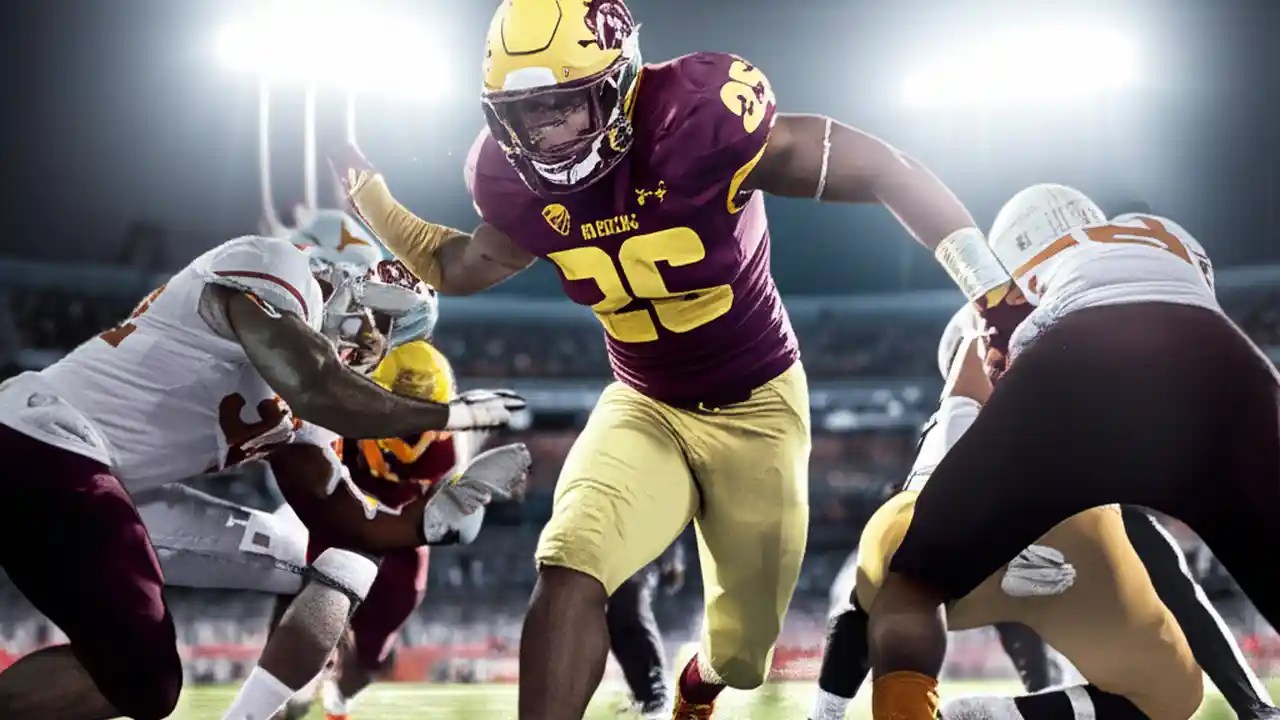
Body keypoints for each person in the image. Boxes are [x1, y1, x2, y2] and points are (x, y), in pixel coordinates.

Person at [331, 1, 1008, 716]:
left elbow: (884, 172)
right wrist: (365, 191)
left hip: (758, 408)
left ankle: (701, 679)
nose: (544, 135)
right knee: (569, 563)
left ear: (620, 81)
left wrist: (992, 293)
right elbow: (457, 264)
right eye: (524, 116)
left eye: (563, 107)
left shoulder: (700, 121)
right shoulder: (512, 180)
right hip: (643, 403)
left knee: (744, 655)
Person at [0, 233, 524, 720]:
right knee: (141, 676)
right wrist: (450, 415)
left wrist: (430, 520)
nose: (375, 342)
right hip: (43, 438)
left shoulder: (314, 403)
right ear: (341, 275)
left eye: (389, 333)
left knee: (149, 683)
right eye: (379, 317)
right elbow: (316, 387)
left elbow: (345, 522)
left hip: (107, 480)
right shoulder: (273, 266)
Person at [865, 184, 1280, 720]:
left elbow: (982, 395)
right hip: (1225, 368)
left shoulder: (1001, 291)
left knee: (912, 581)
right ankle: (1256, 707)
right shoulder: (1169, 237)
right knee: (1157, 553)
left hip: (1074, 365)